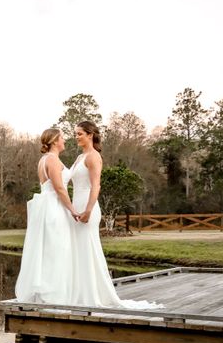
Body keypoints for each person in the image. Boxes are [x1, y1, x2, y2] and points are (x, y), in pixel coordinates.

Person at [68, 121, 161, 310]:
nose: (76, 137)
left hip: (88, 206)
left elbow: (96, 186)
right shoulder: (79, 157)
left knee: (88, 248)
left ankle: (93, 296)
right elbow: (67, 178)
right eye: (75, 134)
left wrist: (88, 209)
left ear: (90, 134)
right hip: (76, 206)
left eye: (79, 134)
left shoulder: (93, 157)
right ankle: (79, 293)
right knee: (78, 250)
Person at [14, 128, 79, 303]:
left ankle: (47, 291)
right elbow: (59, 188)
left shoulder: (44, 160)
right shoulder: (52, 160)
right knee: (58, 248)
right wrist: (72, 209)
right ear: (55, 141)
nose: (65, 140)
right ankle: (54, 294)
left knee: (49, 249)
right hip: (55, 208)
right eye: (62, 138)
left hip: (46, 207)